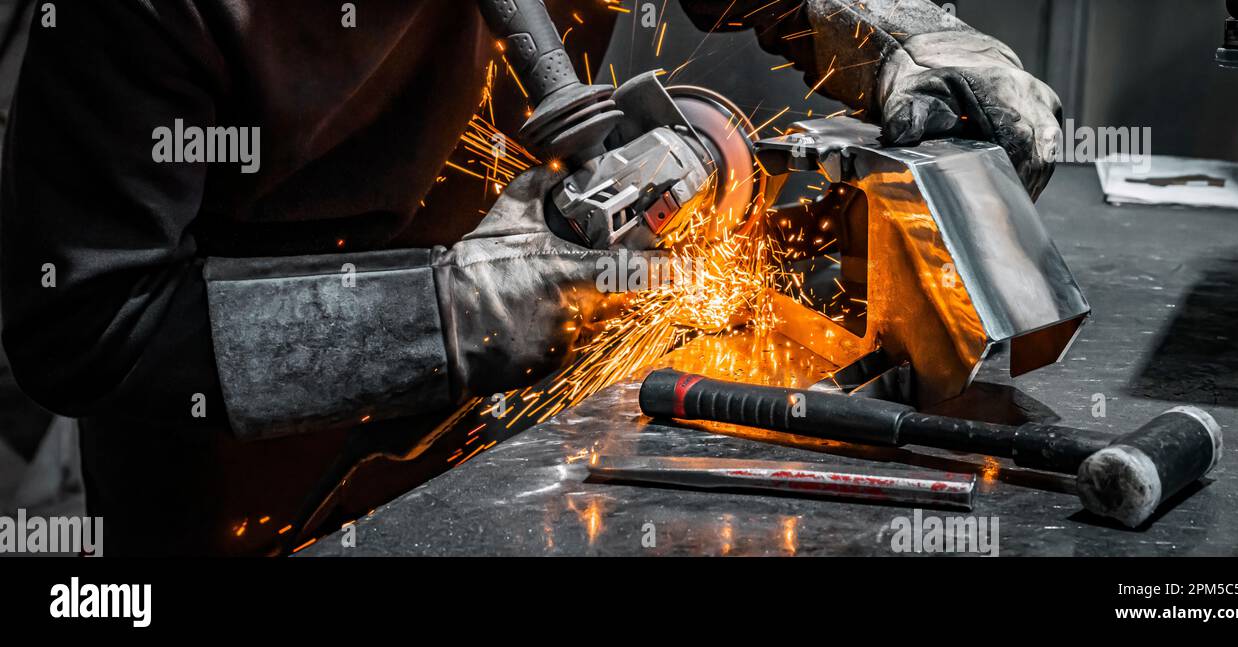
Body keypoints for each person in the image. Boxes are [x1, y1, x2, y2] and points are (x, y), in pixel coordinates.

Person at [0, 0, 1060, 555]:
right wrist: (467, 304)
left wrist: (904, 36)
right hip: (254, 493)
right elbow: (88, 325)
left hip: (506, 447)